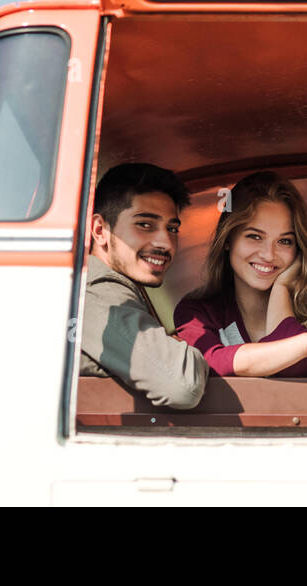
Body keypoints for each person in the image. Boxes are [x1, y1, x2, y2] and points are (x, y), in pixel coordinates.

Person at [173, 172, 307, 412]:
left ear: (299, 248)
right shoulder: (198, 311)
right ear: (229, 238)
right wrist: (304, 344)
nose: (269, 254)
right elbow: (209, 362)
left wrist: (282, 288)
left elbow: (291, 368)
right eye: (254, 236)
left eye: (285, 241)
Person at [78, 163, 209, 408]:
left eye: (172, 229)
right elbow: (181, 385)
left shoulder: (123, 290)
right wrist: (186, 350)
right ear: (100, 230)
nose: (165, 243)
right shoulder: (94, 291)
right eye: (145, 225)